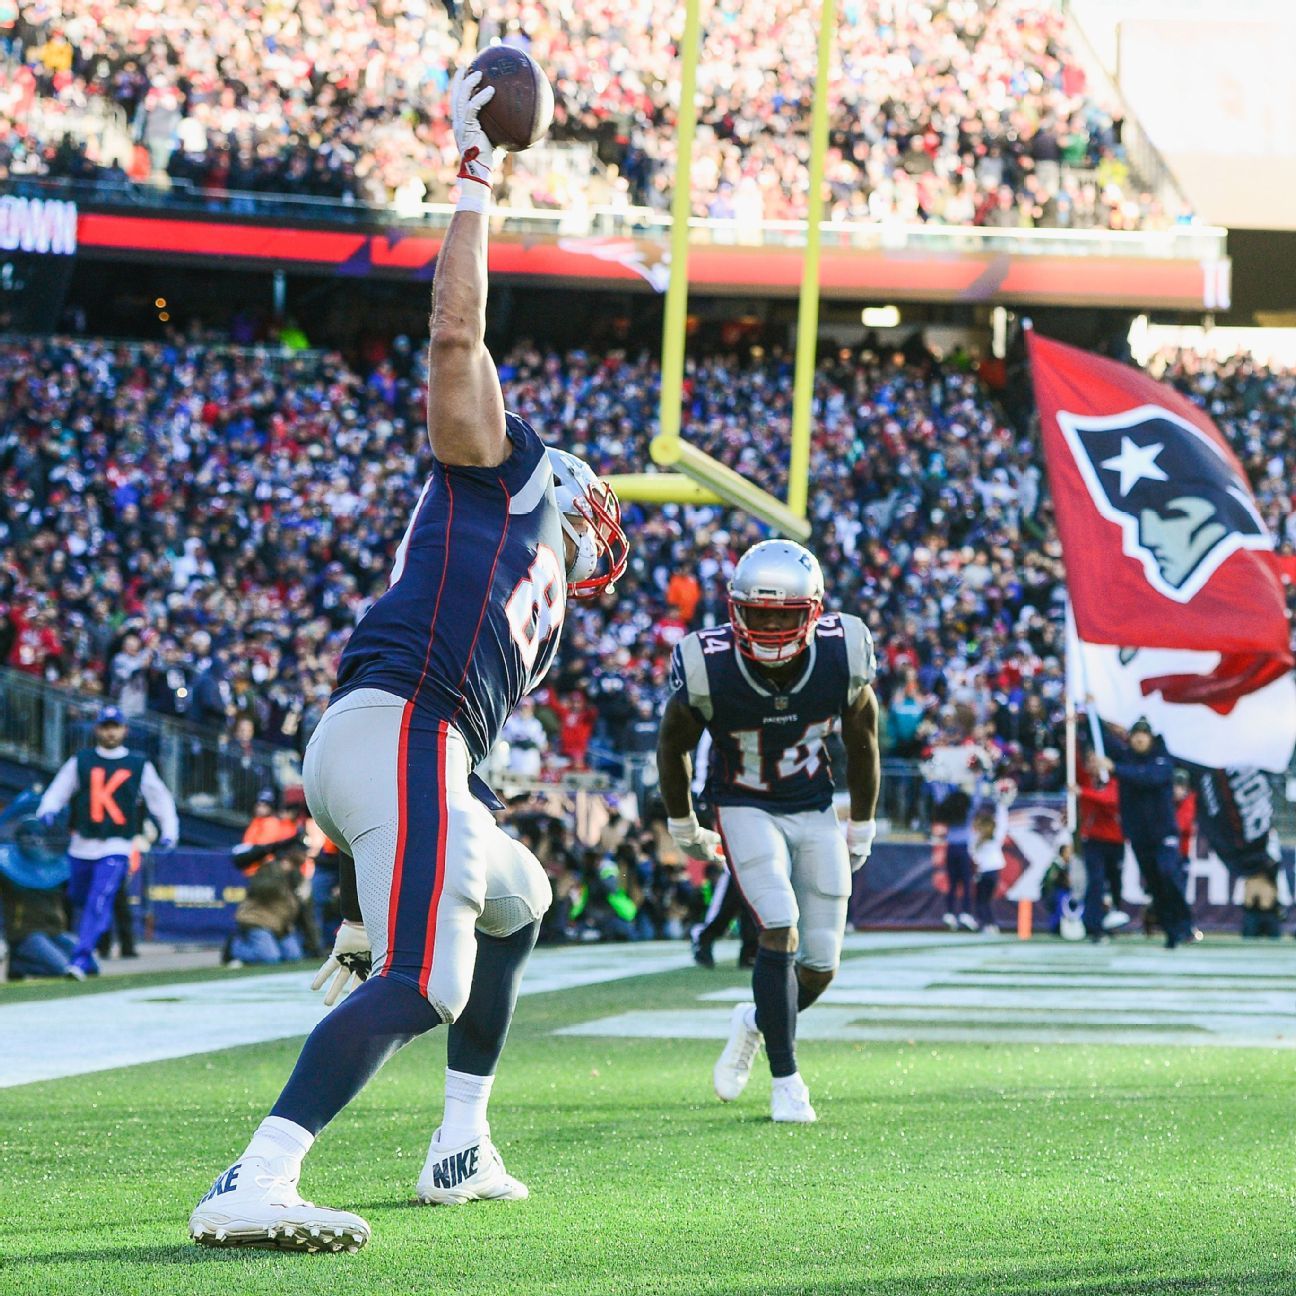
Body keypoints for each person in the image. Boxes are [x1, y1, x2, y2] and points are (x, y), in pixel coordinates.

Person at [189, 63, 628, 1254]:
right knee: (428, 980)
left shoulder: (537, 597)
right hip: (401, 728)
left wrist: (360, 887)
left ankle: (460, 1145)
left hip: (405, 750)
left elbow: (443, 793)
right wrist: (476, 176)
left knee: (521, 898)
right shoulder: (497, 471)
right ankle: (257, 1175)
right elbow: (453, 334)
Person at [656, 539, 880, 1124]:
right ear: (736, 609)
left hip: (812, 804)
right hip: (744, 803)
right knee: (778, 923)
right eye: (758, 614)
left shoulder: (842, 654)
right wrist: (684, 821)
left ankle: (756, 1020)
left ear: (814, 612)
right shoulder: (709, 663)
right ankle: (787, 1082)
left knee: (821, 963)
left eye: (784, 616)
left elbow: (864, 739)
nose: (770, 628)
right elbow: (673, 743)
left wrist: (862, 822)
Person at [35, 704, 178, 979]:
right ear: (97, 729)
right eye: (106, 727)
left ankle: (80, 957)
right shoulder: (82, 760)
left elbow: (160, 798)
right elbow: (59, 789)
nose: (111, 733)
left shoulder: (138, 764)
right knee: (78, 897)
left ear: (125, 730)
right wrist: (47, 810)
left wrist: (169, 830)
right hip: (82, 844)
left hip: (117, 845)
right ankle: (87, 954)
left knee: (99, 899)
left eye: (115, 727)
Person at [1103, 718, 1198, 950]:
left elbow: (1149, 777)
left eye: (1143, 735)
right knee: (1154, 884)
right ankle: (1171, 931)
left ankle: (1184, 924)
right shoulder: (1126, 757)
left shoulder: (1162, 759)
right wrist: (1090, 713)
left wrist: (1116, 769)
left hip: (1163, 832)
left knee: (1168, 874)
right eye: (1135, 734)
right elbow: (1103, 741)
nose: (1139, 739)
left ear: (1151, 738)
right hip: (1139, 834)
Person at [1073, 750, 1128, 943]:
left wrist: (1083, 793)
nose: (1093, 764)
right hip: (1093, 839)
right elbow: (1074, 762)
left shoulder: (1114, 781)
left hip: (1115, 839)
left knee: (1114, 882)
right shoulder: (1086, 781)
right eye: (1090, 760)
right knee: (1095, 881)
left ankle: (1112, 920)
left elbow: (1111, 799)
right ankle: (1093, 925)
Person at [969, 781, 1013, 934]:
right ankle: (991, 924)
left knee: (981, 900)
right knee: (987, 900)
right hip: (993, 872)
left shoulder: (977, 839)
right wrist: (1002, 806)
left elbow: (973, 855)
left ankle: (986, 924)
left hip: (983, 872)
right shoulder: (994, 838)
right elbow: (1003, 824)